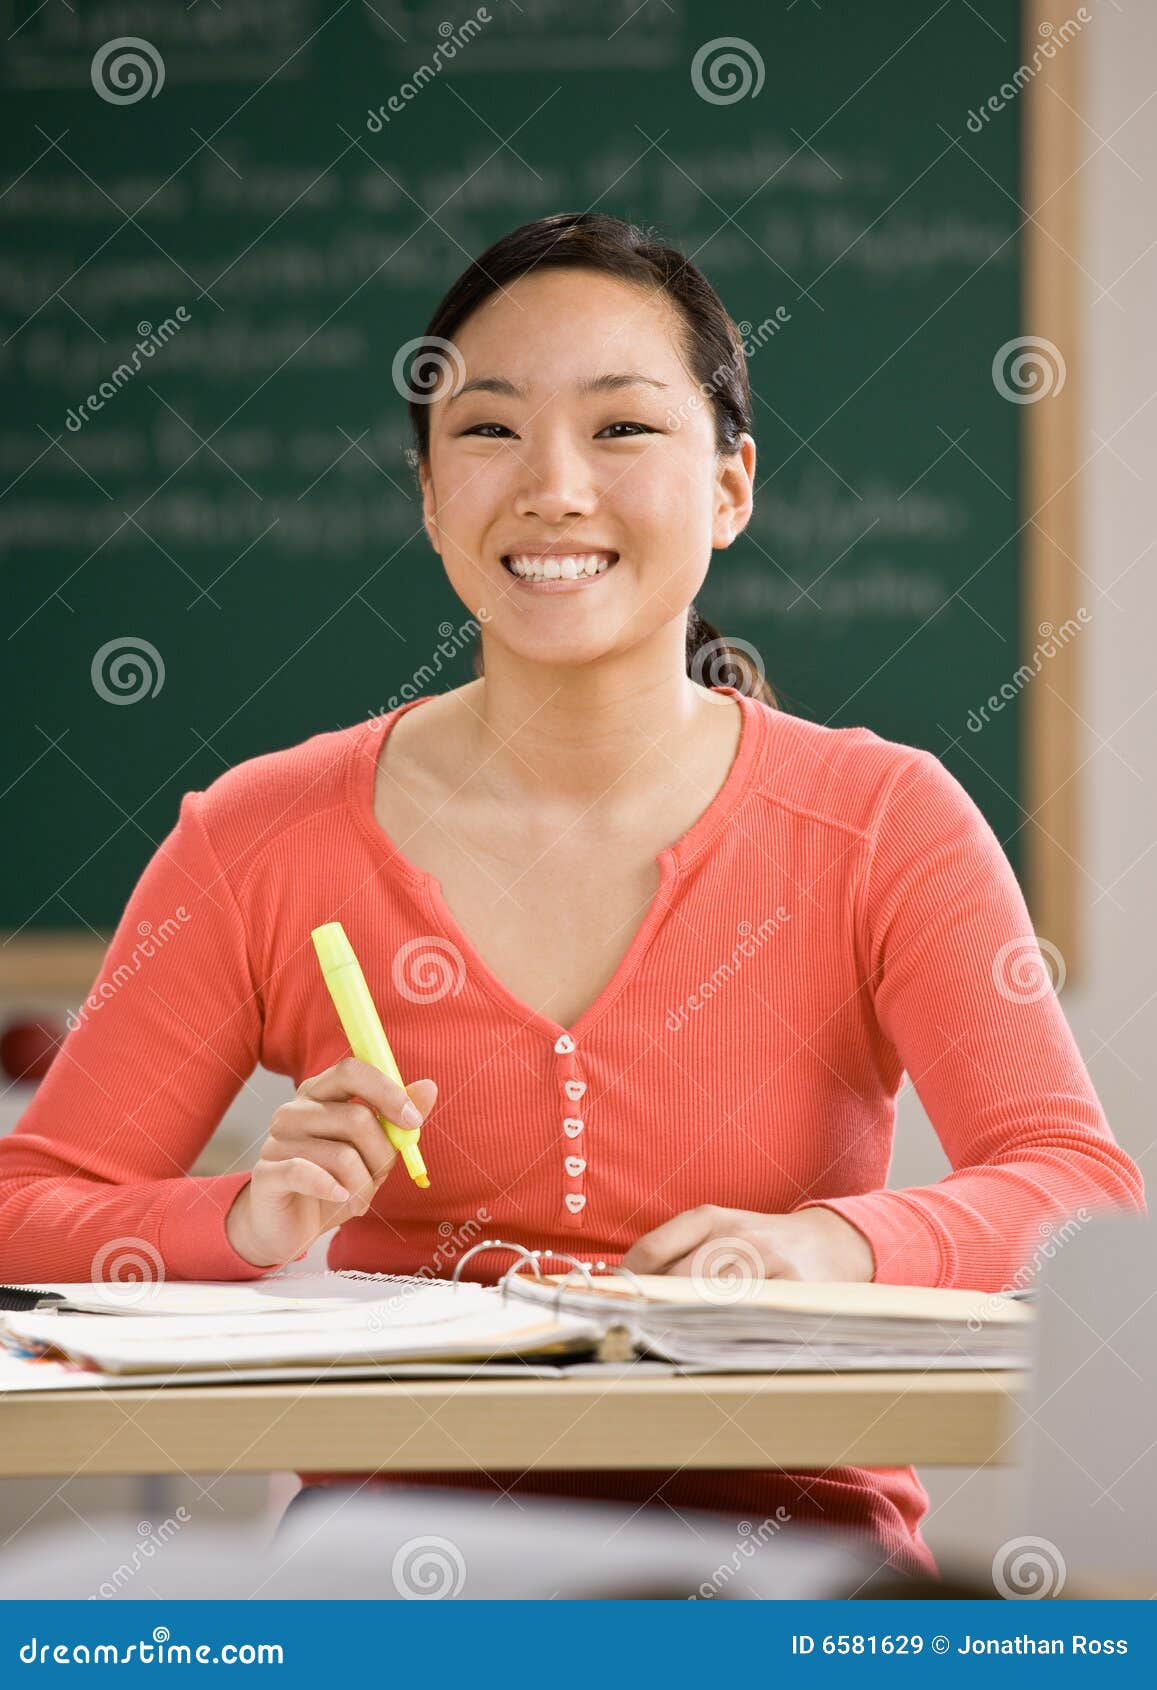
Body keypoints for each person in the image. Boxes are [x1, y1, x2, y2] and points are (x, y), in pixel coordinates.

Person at [0, 212, 1143, 1580]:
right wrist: (243, 1218)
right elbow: (28, 1201)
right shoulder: (259, 834)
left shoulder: (881, 818)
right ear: (426, 495)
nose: (550, 485)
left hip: (788, 1574)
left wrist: (828, 1244)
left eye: (620, 428)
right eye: (485, 430)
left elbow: (1078, 1192)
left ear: (730, 488)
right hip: (389, 1582)